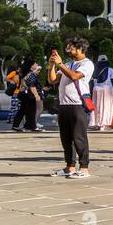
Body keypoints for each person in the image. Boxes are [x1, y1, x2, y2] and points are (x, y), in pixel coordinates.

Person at [48, 38, 93, 178]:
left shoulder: (87, 64)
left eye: (71, 48)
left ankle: (84, 168)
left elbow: (74, 76)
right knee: (66, 138)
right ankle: (70, 166)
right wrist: (52, 66)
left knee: (79, 137)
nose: (68, 50)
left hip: (78, 104)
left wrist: (60, 64)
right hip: (64, 105)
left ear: (80, 49)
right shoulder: (68, 64)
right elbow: (52, 80)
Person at [16, 58, 45, 132]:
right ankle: (33, 127)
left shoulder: (28, 73)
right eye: (35, 64)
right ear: (31, 66)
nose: (37, 64)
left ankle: (27, 126)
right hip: (30, 95)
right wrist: (36, 95)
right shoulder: (31, 74)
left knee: (28, 111)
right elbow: (32, 85)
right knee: (32, 111)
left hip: (26, 94)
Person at [90, 55, 113, 132]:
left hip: (96, 89)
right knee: (106, 107)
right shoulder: (110, 70)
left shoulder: (94, 70)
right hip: (107, 89)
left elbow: (91, 82)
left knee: (96, 107)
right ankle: (104, 125)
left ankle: (95, 124)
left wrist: (91, 92)